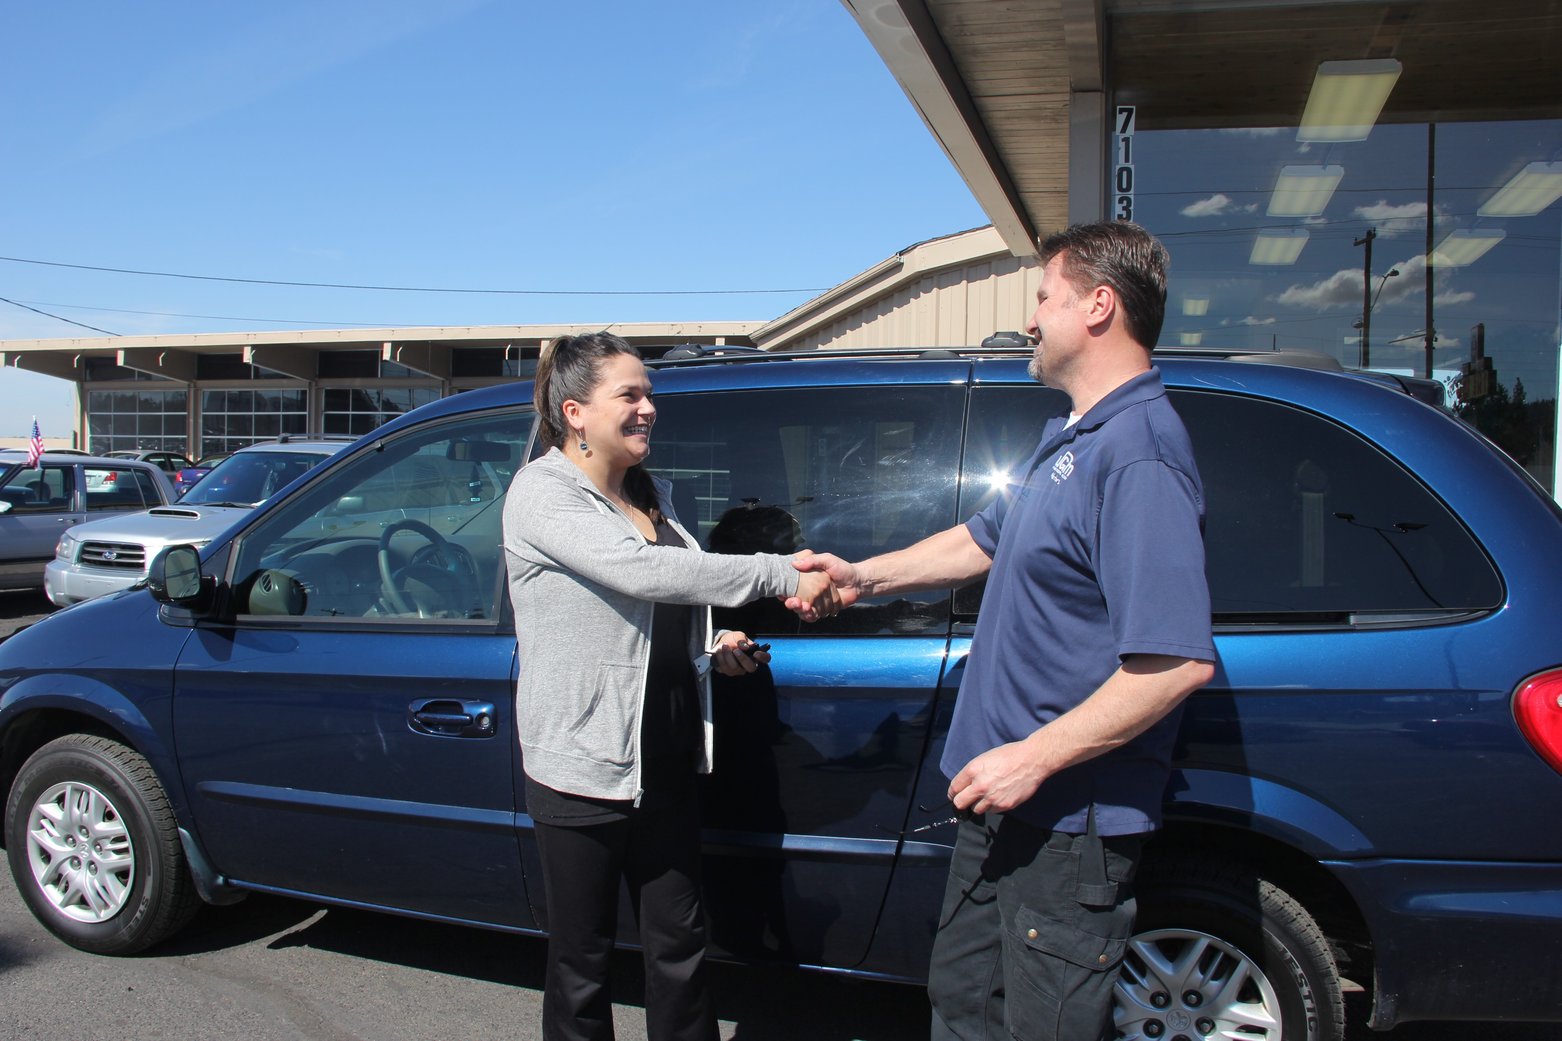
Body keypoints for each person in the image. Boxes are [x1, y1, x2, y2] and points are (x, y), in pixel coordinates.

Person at [788, 221, 1216, 1041]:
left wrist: (1033, 757)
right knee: (963, 1005)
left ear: (1098, 306)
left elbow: (1173, 662)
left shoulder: (1140, 454)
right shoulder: (1071, 434)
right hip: (1003, 807)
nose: (1030, 318)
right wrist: (860, 576)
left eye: (1045, 297)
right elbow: (981, 538)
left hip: (1065, 823)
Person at [503, 332, 837, 1041]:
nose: (649, 407)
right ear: (575, 412)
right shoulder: (542, 492)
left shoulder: (652, 495)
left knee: (681, 949)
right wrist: (781, 571)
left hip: (665, 760)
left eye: (648, 393)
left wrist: (711, 647)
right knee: (582, 964)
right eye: (629, 394)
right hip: (584, 770)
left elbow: (661, 610)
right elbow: (645, 572)